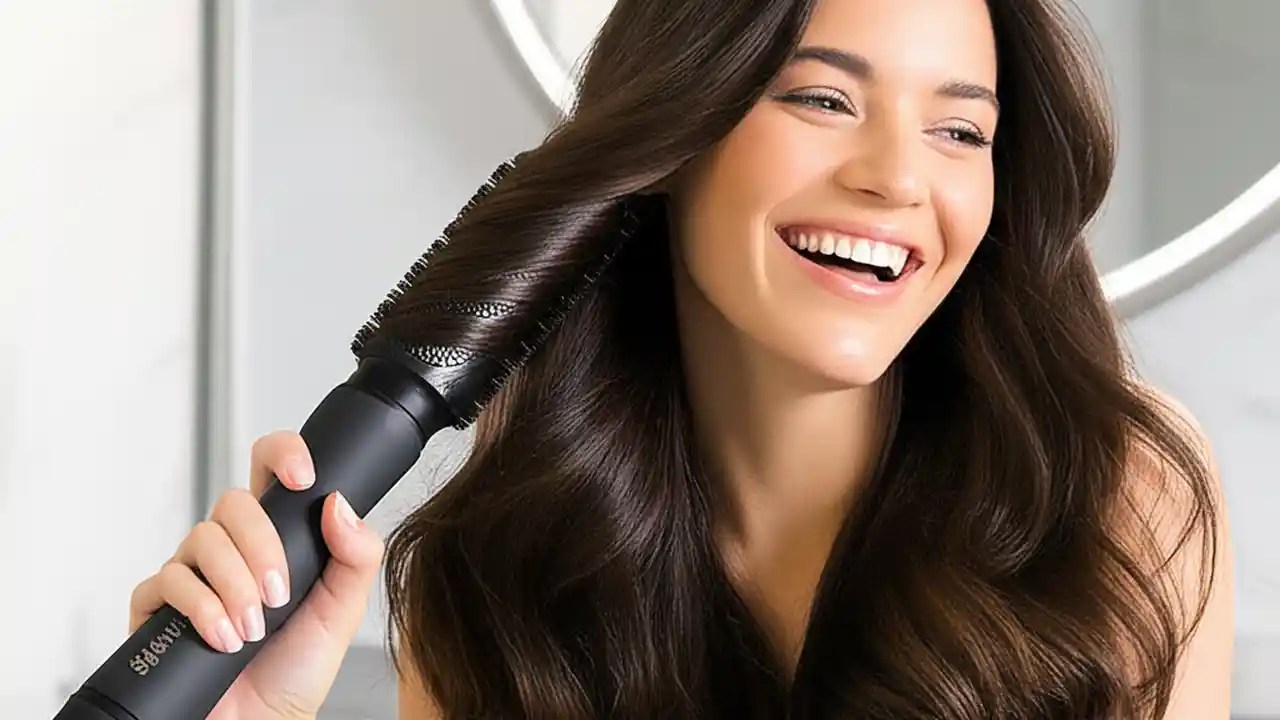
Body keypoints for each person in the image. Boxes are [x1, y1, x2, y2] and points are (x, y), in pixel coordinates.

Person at [128, 0, 1235, 717]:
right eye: (821, 98)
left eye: (960, 130)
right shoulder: (505, 572)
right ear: (675, 135)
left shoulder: (1110, 492)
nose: (897, 178)